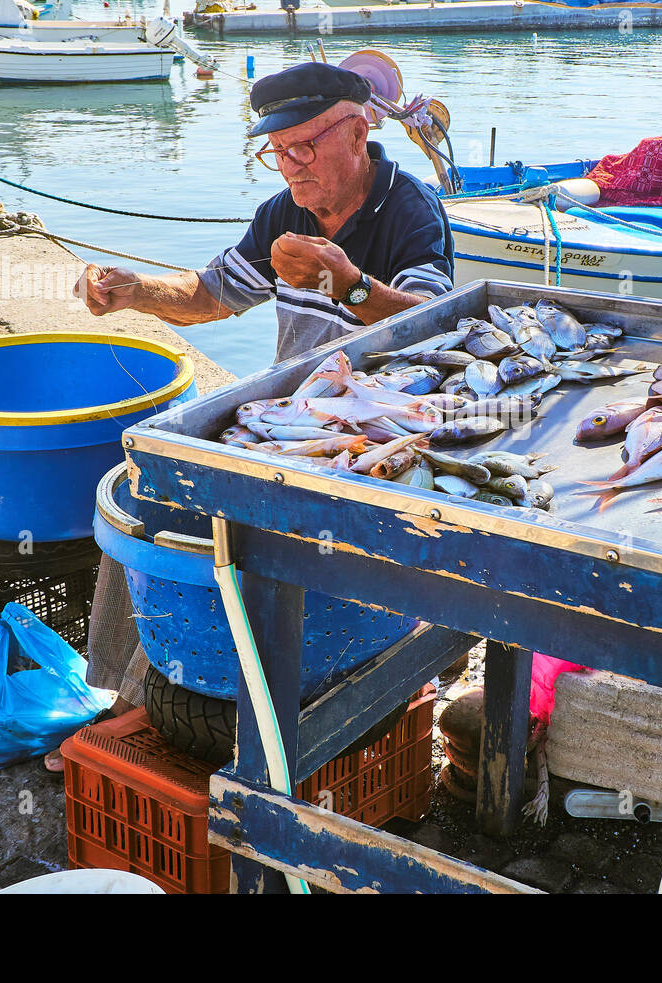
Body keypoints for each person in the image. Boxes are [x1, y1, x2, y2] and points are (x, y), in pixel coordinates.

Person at [48, 62, 455, 770]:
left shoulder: (410, 210)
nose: (290, 164)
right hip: (286, 421)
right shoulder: (281, 214)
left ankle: (311, 674)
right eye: (277, 149)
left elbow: (434, 328)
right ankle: (123, 694)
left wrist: (344, 283)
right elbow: (210, 294)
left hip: (373, 433)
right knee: (146, 484)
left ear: (358, 132)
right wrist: (131, 289)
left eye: (305, 146)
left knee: (262, 536)